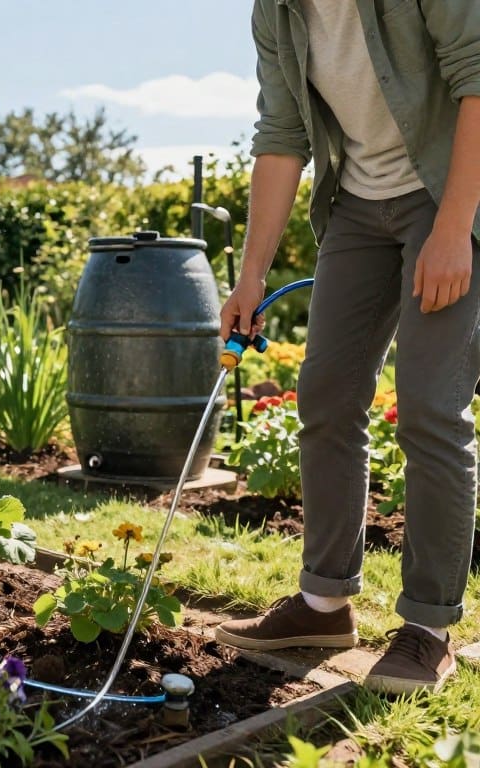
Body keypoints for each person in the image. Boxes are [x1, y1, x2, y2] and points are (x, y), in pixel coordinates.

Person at [214, 0, 480, 696]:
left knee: (430, 406)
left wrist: (456, 228)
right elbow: (281, 134)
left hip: (449, 194)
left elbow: (478, 78)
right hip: (358, 206)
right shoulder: (275, 11)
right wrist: (250, 277)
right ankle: (324, 603)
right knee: (327, 396)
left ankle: (427, 628)